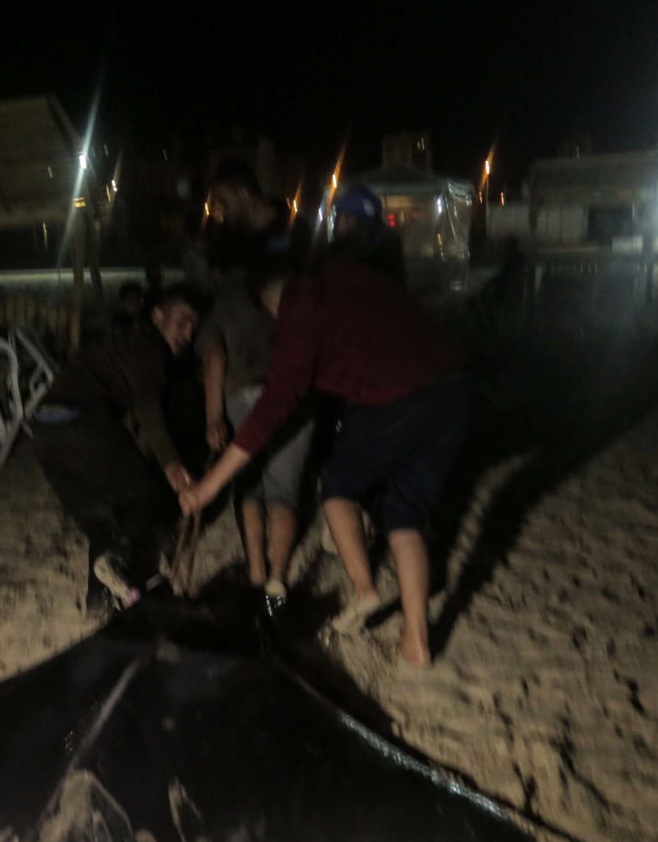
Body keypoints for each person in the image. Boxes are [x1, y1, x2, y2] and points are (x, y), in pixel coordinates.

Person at [181, 187, 468, 669]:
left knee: (336, 486)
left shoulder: (300, 305)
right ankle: (416, 644)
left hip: (398, 393)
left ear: (272, 301)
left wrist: (207, 488)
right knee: (405, 512)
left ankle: (364, 591)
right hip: (455, 389)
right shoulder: (351, 275)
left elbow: (272, 410)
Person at [29, 287, 201, 612]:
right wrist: (172, 463)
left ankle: (100, 601)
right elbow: (149, 409)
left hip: (43, 427)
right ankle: (120, 560)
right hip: (78, 420)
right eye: (183, 322)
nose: (188, 333)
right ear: (158, 316)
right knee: (148, 492)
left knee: (101, 520)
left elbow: (135, 411)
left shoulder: (124, 342)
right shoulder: (149, 347)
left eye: (194, 326)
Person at [201, 260, 310, 598]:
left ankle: (256, 571)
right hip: (293, 395)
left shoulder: (222, 301)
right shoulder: (292, 292)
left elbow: (214, 358)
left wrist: (214, 416)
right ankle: (277, 578)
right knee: (283, 492)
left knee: (249, 489)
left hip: (242, 395)